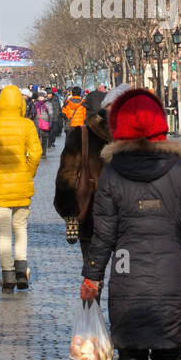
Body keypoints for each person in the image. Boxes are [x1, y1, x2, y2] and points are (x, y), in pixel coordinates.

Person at [80, 88, 181, 360]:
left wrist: (92, 277)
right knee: (170, 356)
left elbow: (103, 234)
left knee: (132, 358)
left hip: (126, 273)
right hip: (172, 269)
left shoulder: (111, 174)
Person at [0, 85, 42, 292]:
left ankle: (7, 275)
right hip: (22, 184)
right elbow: (35, 153)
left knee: (4, 232)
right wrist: (28, 173)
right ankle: (21, 270)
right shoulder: (27, 125)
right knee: (21, 228)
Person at [53, 89, 111, 259]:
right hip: (120, 213)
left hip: (89, 210)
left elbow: (66, 176)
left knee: (91, 261)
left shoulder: (80, 135)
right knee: (123, 268)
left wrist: (69, 212)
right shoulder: (124, 135)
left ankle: (94, 281)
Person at [33, 91, 54, 155]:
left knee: (44, 138)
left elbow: (51, 113)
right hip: (36, 123)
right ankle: (38, 151)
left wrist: (50, 121)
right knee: (37, 138)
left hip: (45, 123)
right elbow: (32, 113)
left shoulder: (48, 104)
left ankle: (44, 152)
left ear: (44, 97)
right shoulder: (35, 103)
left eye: (42, 96)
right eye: (39, 96)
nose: (40, 98)